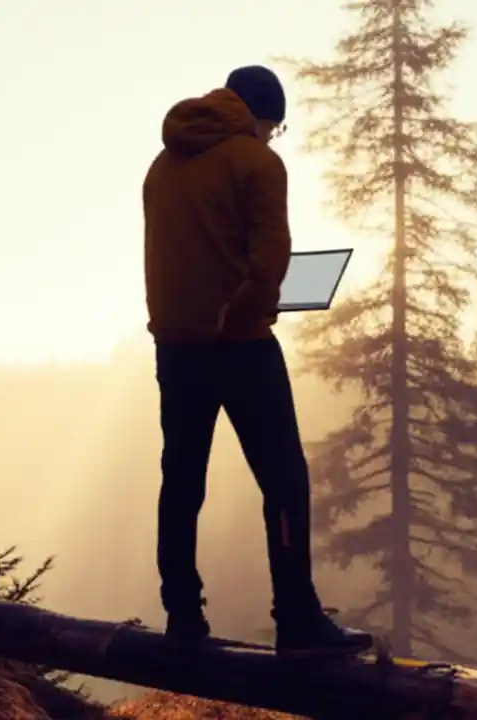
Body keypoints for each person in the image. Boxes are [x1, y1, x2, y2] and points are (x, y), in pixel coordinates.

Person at [141, 65, 373, 658]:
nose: (272, 136)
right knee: (284, 480)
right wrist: (247, 309)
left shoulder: (164, 163)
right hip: (239, 346)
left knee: (182, 481)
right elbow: (270, 259)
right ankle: (297, 619)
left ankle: (182, 618)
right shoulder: (257, 161)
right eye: (275, 126)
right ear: (262, 115)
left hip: (176, 347)